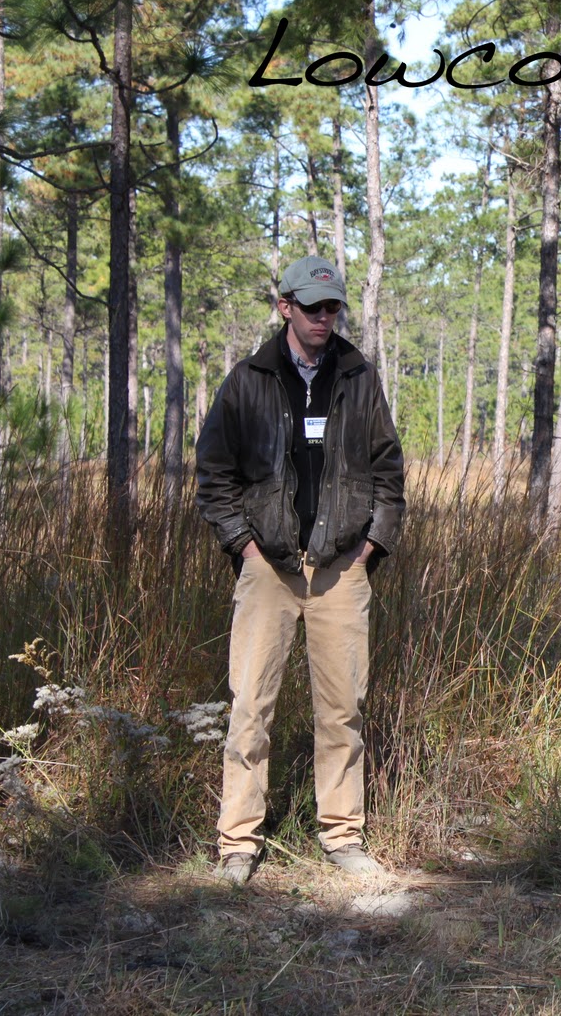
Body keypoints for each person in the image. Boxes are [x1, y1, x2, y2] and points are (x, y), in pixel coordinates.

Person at [196, 256, 405, 885]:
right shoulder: (249, 379)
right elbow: (214, 477)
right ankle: (238, 844)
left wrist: (370, 549)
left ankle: (342, 837)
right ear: (284, 305)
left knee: (342, 710)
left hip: (342, 568)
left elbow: (388, 472)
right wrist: (246, 549)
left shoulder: (358, 376)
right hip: (269, 569)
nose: (323, 317)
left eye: (332, 307)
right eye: (312, 306)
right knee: (250, 706)